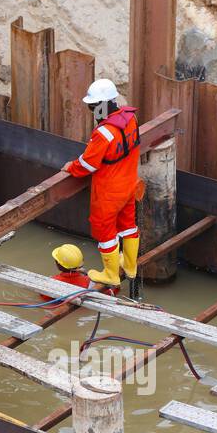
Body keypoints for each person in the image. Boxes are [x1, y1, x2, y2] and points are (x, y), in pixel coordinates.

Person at [62, 79, 141, 288]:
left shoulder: (104, 133)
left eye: (93, 106)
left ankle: (111, 274)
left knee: (104, 231)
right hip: (129, 185)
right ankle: (131, 266)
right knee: (128, 226)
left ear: (102, 105)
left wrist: (70, 167)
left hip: (109, 192)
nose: (91, 110)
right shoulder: (131, 118)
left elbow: (88, 164)